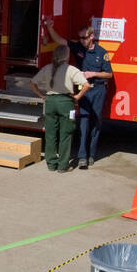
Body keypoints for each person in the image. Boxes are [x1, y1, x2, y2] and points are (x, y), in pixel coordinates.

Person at [44, 18, 112, 169]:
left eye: (84, 38)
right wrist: (49, 28)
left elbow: (109, 74)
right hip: (84, 90)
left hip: (99, 90)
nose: (81, 41)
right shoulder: (78, 47)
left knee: (96, 122)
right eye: (80, 38)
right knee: (83, 122)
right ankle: (82, 156)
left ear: (91, 36)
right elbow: (59, 40)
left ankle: (92, 154)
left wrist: (92, 73)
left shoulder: (101, 53)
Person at [30, 42, 90, 172]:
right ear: (67, 56)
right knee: (66, 134)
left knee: (50, 134)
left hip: (50, 101)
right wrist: (77, 97)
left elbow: (32, 82)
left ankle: (51, 164)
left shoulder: (47, 68)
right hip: (66, 103)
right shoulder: (71, 69)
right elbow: (86, 85)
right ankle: (63, 166)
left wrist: (42, 95)